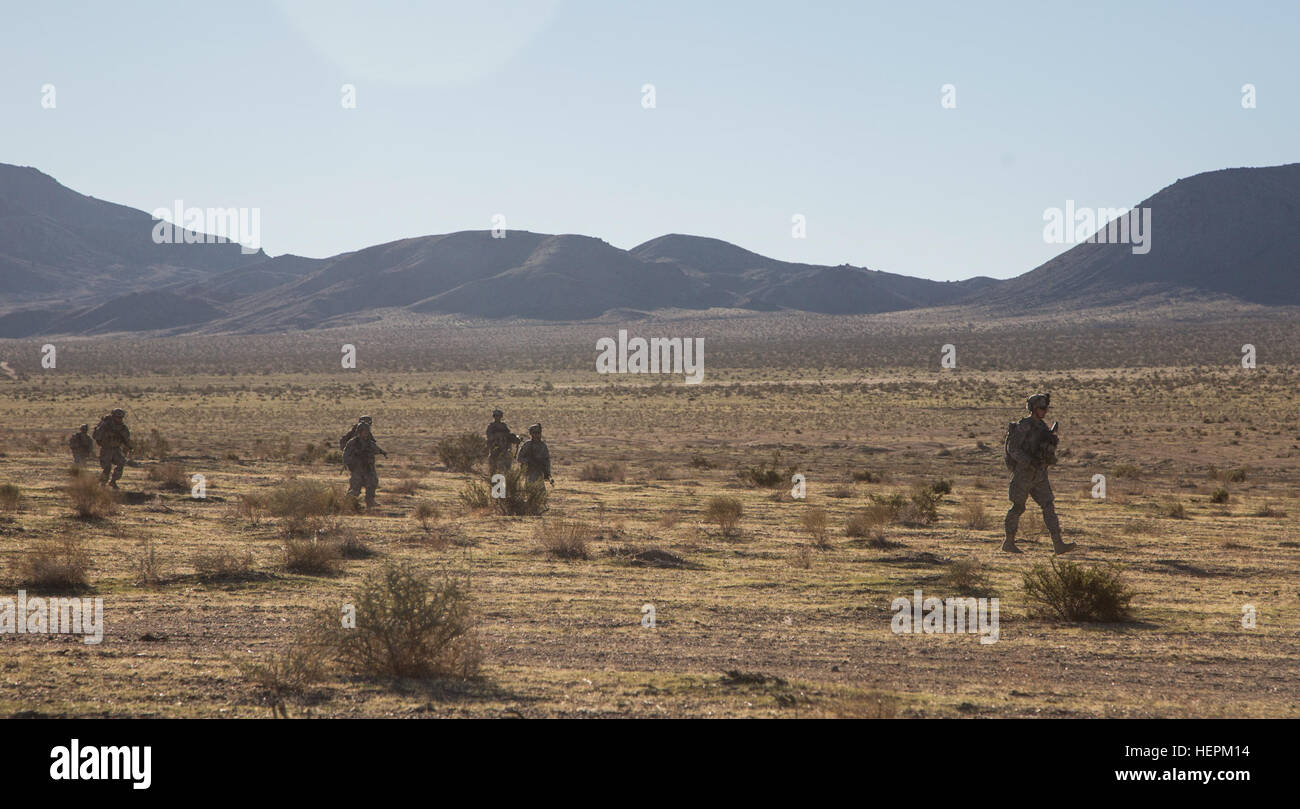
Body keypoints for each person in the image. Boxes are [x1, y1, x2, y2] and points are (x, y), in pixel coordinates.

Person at [1003, 393, 1076, 554]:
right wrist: (1029, 461)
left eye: (1046, 408)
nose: (1045, 411)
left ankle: (1058, 544)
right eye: (1042, 408)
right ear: (1034, 409)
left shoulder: (1042, 427)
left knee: (1048, 505)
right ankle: (1009, 542)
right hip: (1024, 474)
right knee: (1018, 507)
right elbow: (1013, 449)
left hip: (1039, 474)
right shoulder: (1024, 426)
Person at [342, 422, 386, 507]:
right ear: (359, 431)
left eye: (367, 431)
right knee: (355, 488)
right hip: (358, 469)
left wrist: (382, 452)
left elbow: (376, 449)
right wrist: (346, 463)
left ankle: (370, 501)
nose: (366, 433)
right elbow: (345, 453)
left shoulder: (369, 442)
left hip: (368, 468)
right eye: (364, 431)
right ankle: (347, 503)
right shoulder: (353, 442)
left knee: (372, 483)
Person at [92, 409, 131, 488]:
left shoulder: (122, 427)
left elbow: (126, 438)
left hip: (116, 449)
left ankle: (113, 481)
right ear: (113, 417)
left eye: (121, 417)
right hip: (106, 449)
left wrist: (128, 446)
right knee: (107, 468)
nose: (119, 419)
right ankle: (102, 483)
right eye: (118, 417)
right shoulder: (105, 425)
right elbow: (96, 436)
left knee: (121, 463)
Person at [485, 409, 521, 476]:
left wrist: (514, 438)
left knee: (506, 471)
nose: (497, 417)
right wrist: (498, 436)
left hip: (505, 451)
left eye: (499, 416)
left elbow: (508, 435)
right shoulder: (491, 426)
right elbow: (489, 437)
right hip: (495, 451)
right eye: (496, 416)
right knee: (494, 471)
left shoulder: (504, 426)